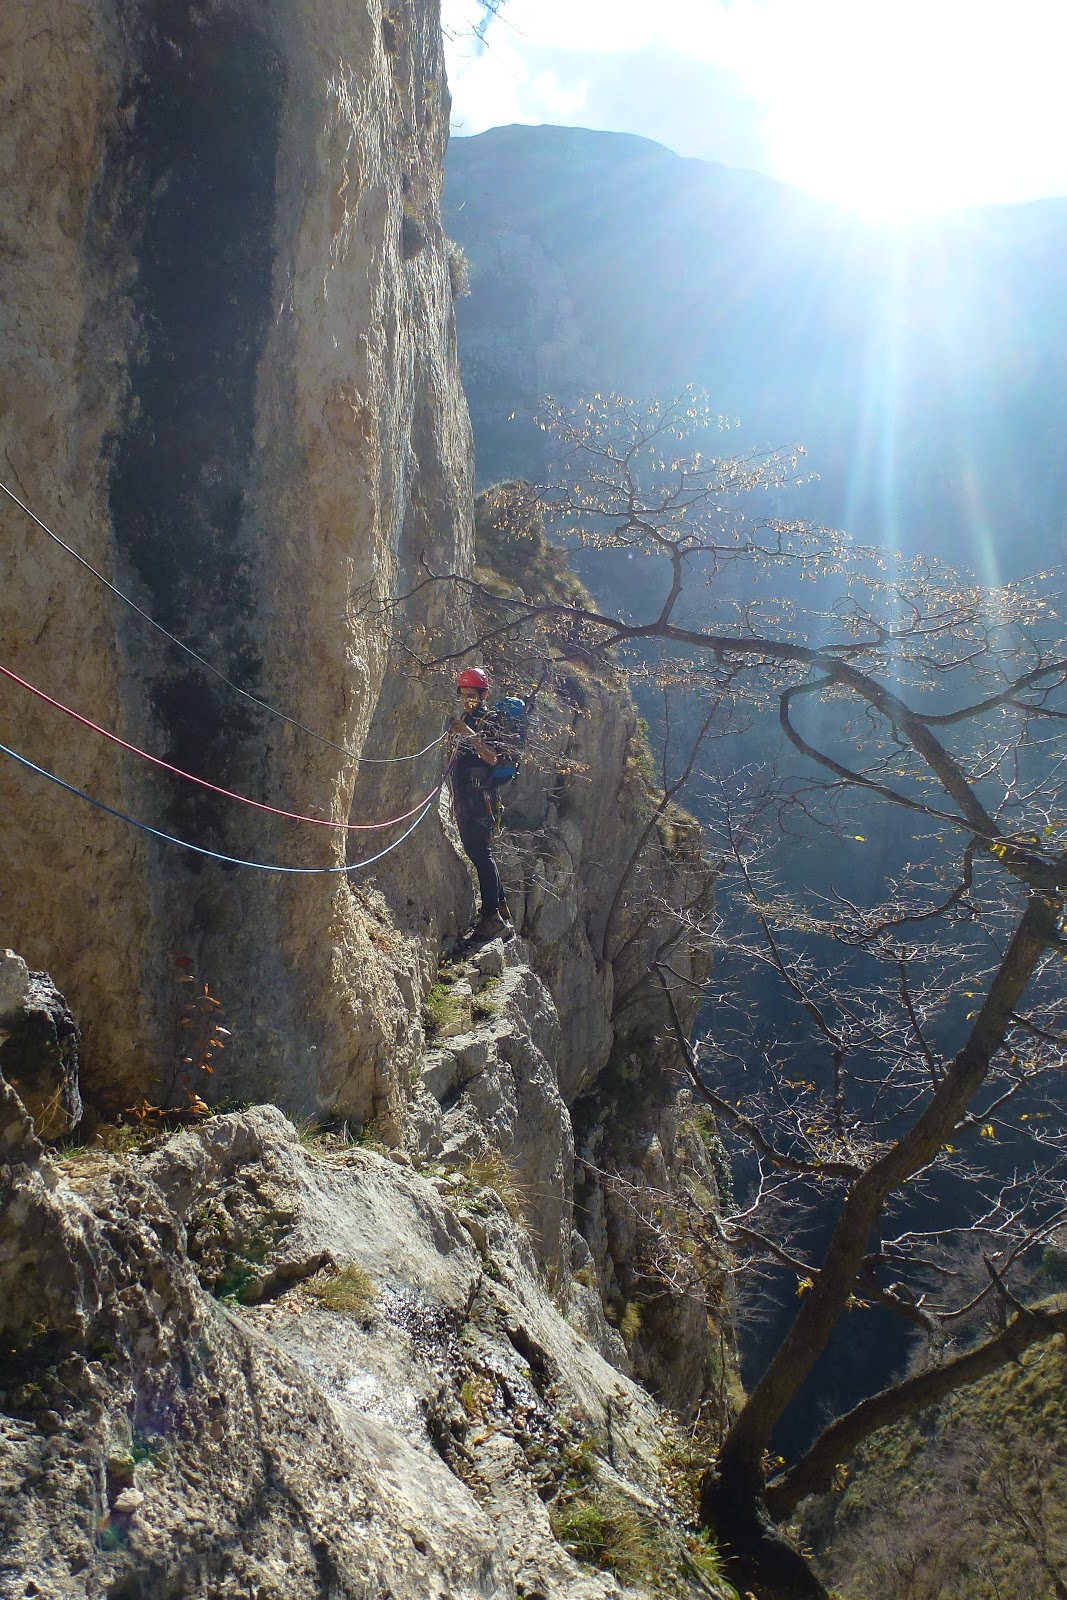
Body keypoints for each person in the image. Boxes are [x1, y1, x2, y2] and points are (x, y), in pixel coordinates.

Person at [448, 667, 511, 939]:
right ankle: (501, 906)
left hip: (480, 798)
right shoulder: (467, 716)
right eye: (463, 695)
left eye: (472, 695)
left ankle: (492, 917)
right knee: (480, 852)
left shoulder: (491, 720)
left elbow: (493, 757)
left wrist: (469, 734)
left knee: (480, 854)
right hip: (466, 795)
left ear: (483, 694)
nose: (467, 700)